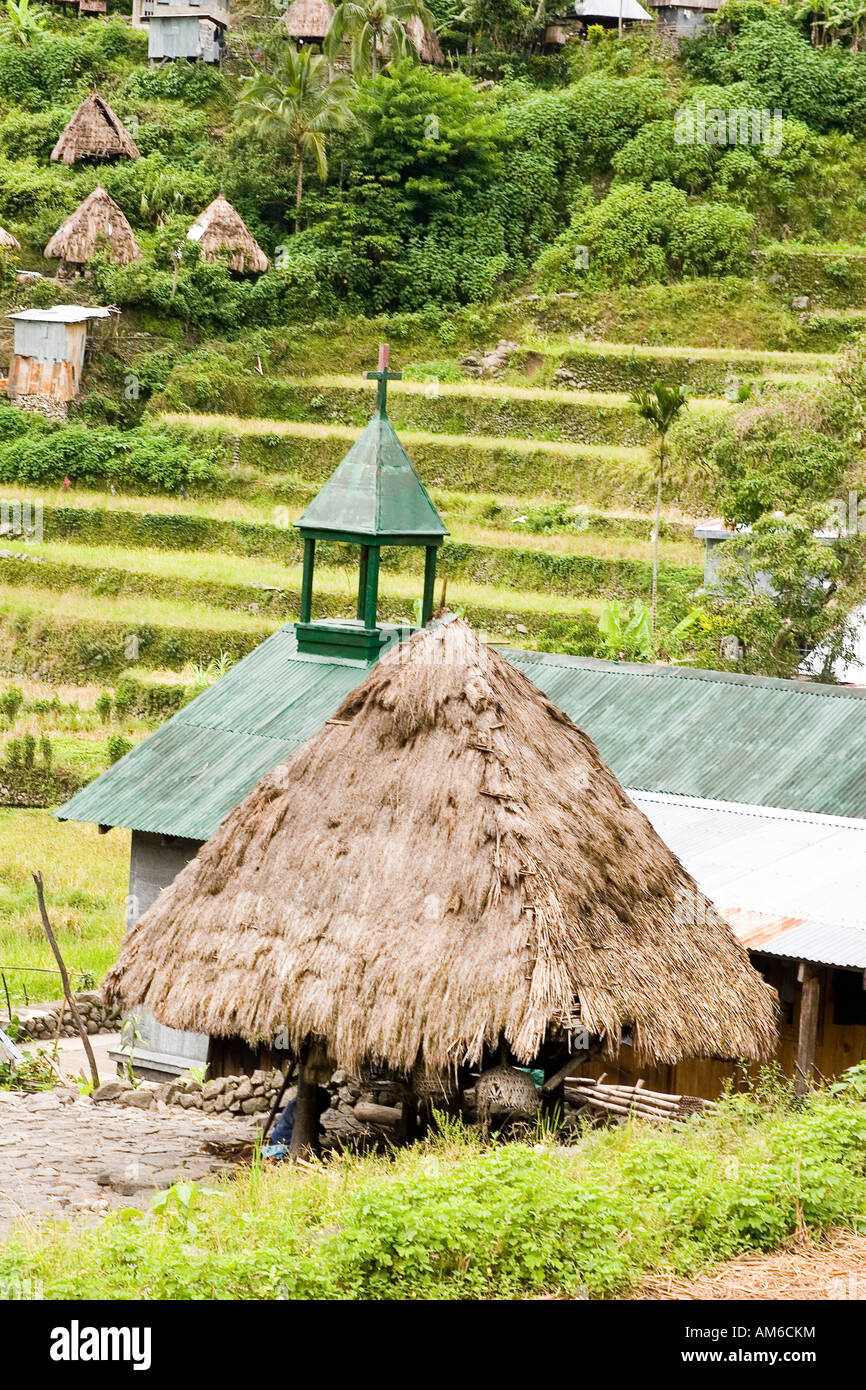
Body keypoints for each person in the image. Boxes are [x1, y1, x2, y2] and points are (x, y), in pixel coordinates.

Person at [262, 1085, 330, 1160]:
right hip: (283, 1137)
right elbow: (306, 1124)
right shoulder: (302, 1108)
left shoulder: (296, 1103)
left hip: (278, 1134)